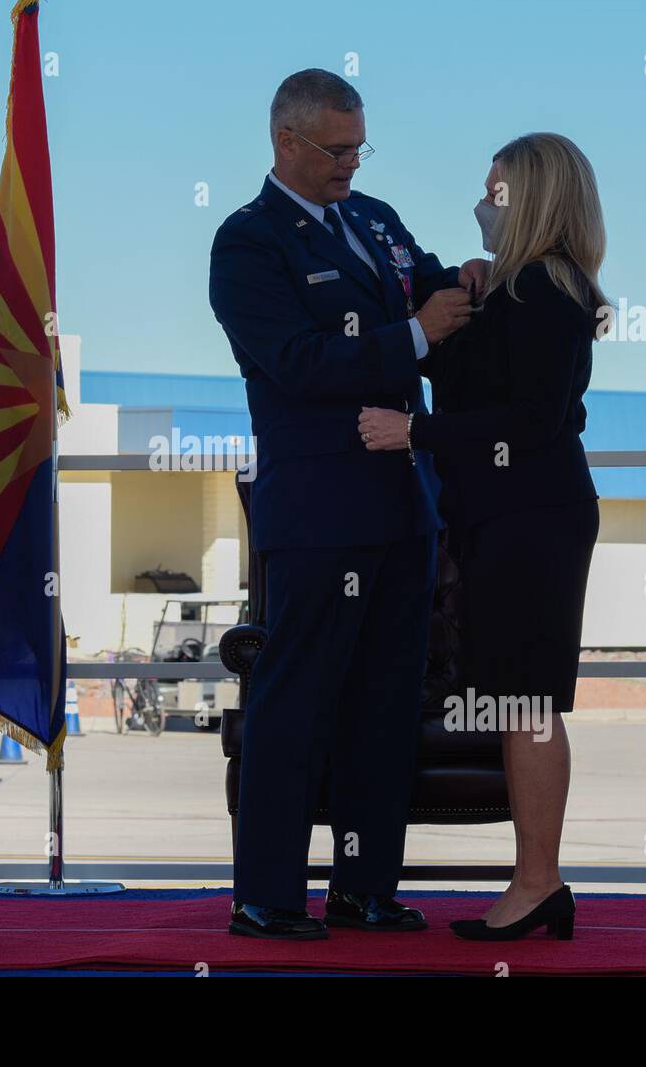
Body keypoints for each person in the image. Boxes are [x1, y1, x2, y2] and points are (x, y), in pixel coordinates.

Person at [210, 69, 487, 940]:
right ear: (284, 142)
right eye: (335, 149)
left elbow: (437, 293)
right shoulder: (248, 244)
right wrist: (413, 335)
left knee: (385, 700)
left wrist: (475, 284)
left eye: (360, 146)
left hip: (408, 501)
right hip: (320, 508)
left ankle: (364, 887)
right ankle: (267, 896)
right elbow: (295, 363)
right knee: (294, 701)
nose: (350, 164)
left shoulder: (376, 221)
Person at [359, 132, 606, 942]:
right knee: (516, 699)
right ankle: (538, 884)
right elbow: (473, 377)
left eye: (496, 193)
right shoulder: (522, 286)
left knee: (527, 701)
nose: (481, 204)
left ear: (531, 200)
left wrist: (414, 434)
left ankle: (538, 884)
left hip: (532, 518)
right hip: (512, 516)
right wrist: (465, 292)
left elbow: (530, 419)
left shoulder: (544, 288)